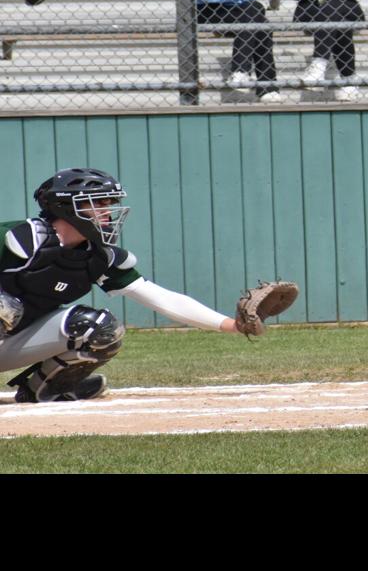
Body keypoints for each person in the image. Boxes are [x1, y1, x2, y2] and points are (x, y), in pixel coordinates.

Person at [1, 169, 258, 403]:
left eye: (110, 203)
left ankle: (45, 389)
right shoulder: (20, 238)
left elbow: (161, 297)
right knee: (6, 306)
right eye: (98, 202)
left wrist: (233, 325)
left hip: (10, 345)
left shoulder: (97, 256)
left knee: (98, 328)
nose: (108, 210)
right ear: (67, 206)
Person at [197, 0, 304, 103]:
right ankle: (267, 87)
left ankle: (241, 72)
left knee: (258, 16)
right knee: (257, 16)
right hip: (208, 9)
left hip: (245, 11)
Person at [291, 0, 368, 103]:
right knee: (336, 17)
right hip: (311, 5)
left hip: (346, 3)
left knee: (336, 13)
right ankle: (349, 80)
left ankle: (318, 67)